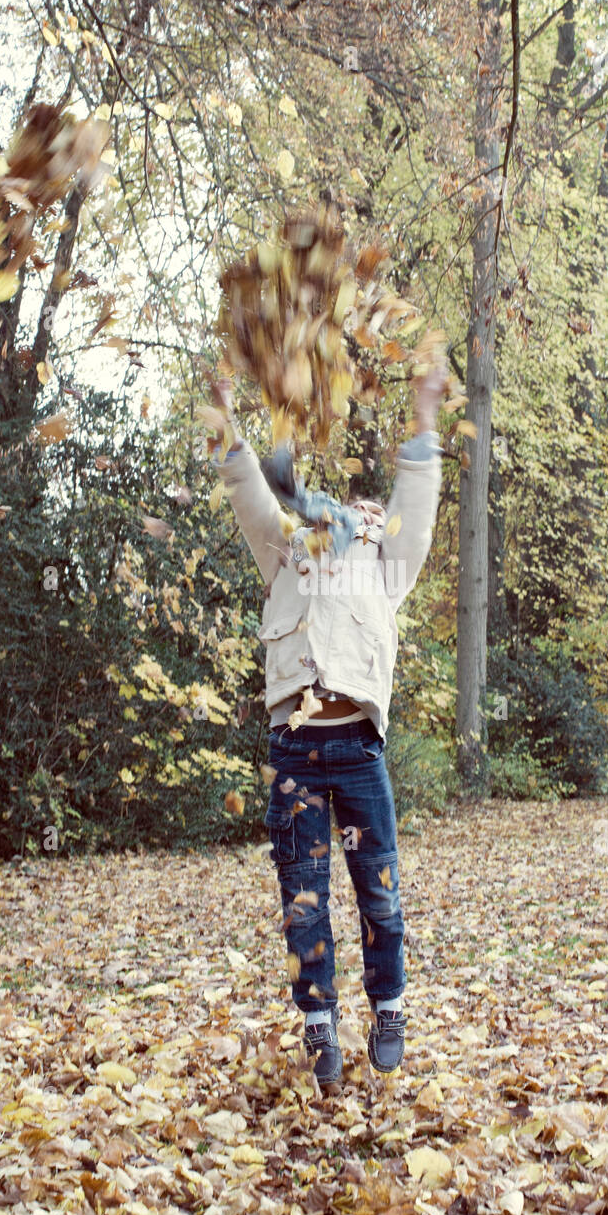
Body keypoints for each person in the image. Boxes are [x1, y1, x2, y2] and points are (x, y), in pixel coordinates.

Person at [207, 366, 445, 1085]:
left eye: (361, 509)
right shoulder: (286, 554)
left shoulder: (383, 566)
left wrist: (424, 411)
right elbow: (252, 494)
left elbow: (417, 499)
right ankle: (319, 1026)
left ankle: (389, 1007)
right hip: (295, 752)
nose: (345, 512)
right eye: (333, 506)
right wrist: (224, 417)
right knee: (301, 895)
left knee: (379, 893)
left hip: (357, 751)